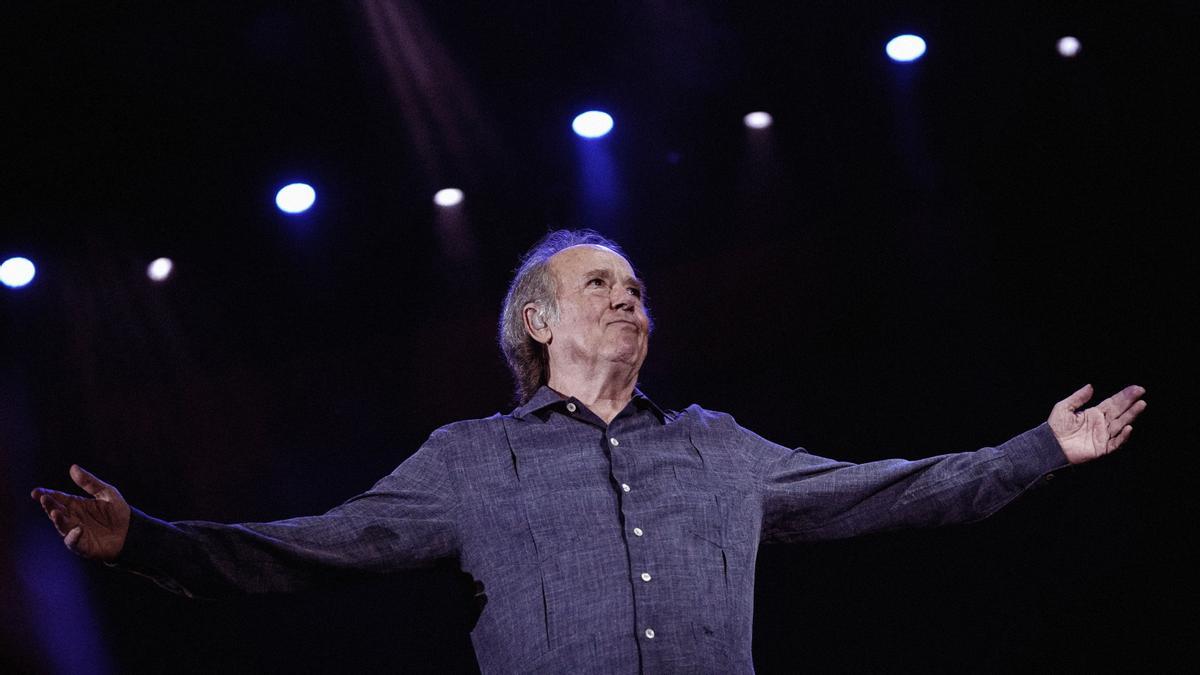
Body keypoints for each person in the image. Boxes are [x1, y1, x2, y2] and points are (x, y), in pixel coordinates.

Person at [32, 230, 1146, 673]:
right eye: (599, 285)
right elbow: (311, 550)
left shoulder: (718, 449)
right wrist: (149, 543)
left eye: (637, 288)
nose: (629, 299)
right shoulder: (469, 460)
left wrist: (1038, 451)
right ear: (536, 323)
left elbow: (897, 492)